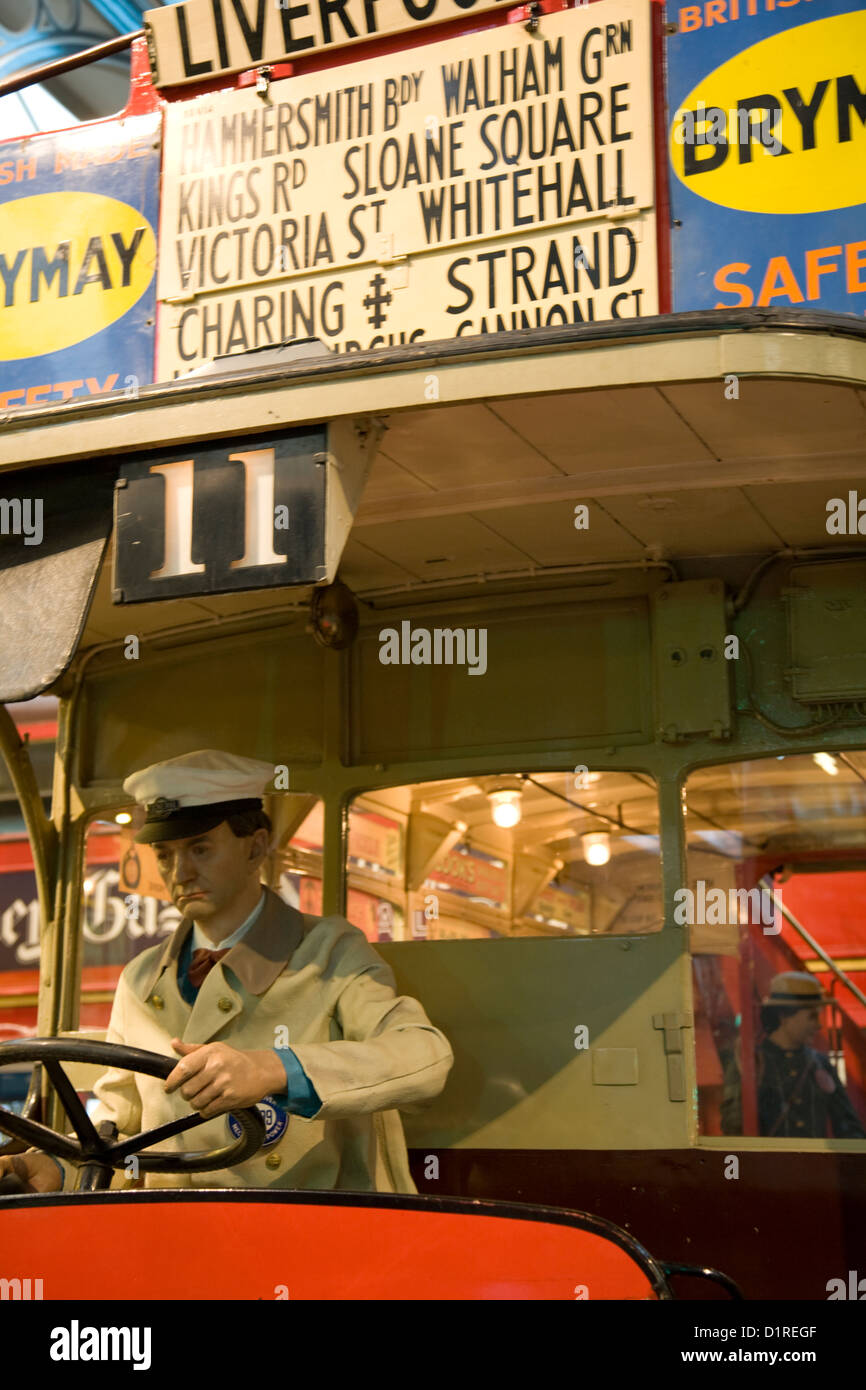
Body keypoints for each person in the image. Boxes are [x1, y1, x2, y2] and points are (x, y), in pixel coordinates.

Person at [1, 749, 453, 1193]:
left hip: (307, 1234)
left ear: (255, 847)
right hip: (168, 1233)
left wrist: (275, 1069)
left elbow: (424, 1056)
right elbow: (123, 1123)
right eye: (164, 854)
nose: (179, 872)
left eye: (200, 848)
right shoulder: (140, 979)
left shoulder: (328, 952)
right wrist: (59, 1169)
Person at [720, 972, 866, 1139]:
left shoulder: (821, 1064)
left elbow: (848, 1126)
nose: (818, 1024)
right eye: (811, 1016)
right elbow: (734, 1128)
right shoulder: (750, 1063)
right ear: (784, 1016)